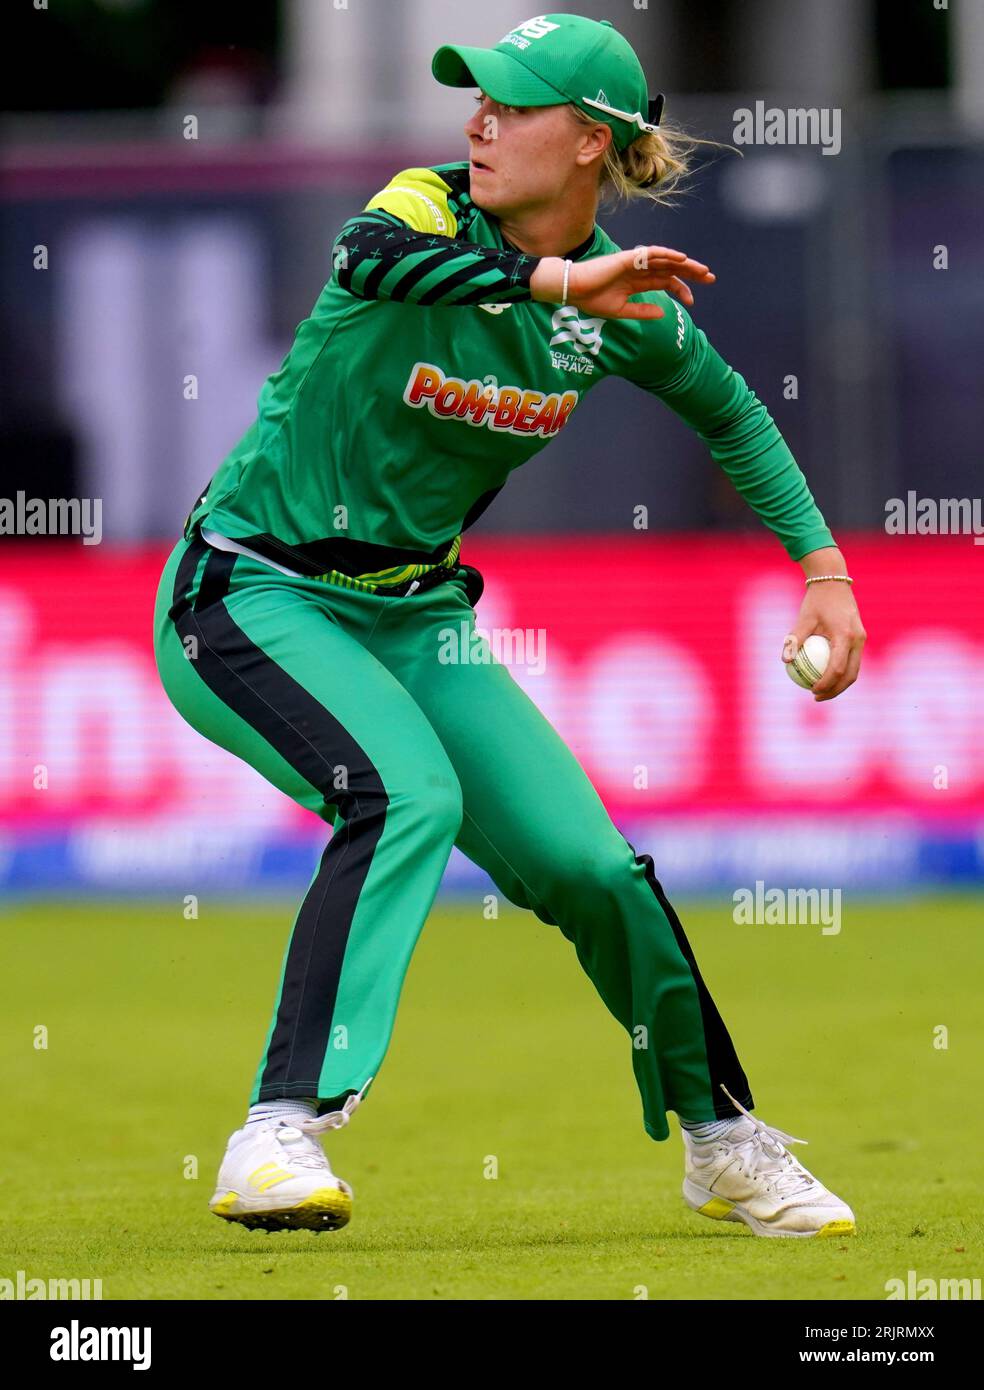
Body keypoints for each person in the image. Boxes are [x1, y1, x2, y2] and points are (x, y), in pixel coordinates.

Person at [152, 12, 866, 1240]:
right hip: (249, 591)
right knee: (403, 795)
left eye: (514, 104)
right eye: (474, 97)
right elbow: (378, 261)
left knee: (595, 869)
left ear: (592, 142)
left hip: (415, 616)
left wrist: (825, 571)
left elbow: (734, 414)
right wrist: (557, 280)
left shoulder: (610, 308)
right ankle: (277, 1131)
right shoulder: (424, 213)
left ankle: (724, 1142)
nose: (478, 121)